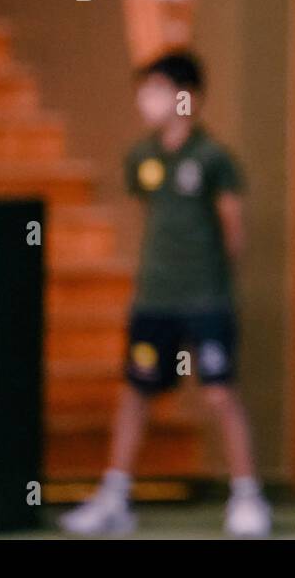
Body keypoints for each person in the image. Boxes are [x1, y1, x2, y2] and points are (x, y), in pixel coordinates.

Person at [60, 50, 272, 537]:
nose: (147, 100)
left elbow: (232, 229)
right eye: (145, 90)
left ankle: (246, 496)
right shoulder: (142, 158)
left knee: (219, 393)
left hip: (206, 300)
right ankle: (114, 498)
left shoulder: (214, 159)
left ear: (187, 98)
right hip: (153, 300)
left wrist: (216, 286)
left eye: (157, 90)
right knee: (135, 392)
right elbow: (149, 216)